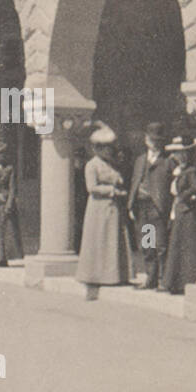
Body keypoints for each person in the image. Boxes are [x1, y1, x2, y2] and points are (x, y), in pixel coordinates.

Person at [75, 124, 131, 295]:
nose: (109, 151)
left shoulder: (111, 164)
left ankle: (113, 275)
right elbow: (91, 187)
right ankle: (96, 275)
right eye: (106, 148)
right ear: (98, 148)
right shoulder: (92, 165)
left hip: (113, 208)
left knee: (112, 239)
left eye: (110, 148)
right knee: (99, 239)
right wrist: (112, 190)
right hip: (98, 208)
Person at [126, 121, 172, 290]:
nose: (155, 143)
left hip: (157, 208)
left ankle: (163, 280)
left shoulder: (168, 161)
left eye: (158, 140)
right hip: (142, 208)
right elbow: (134, 182)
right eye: (152, 140)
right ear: (146, 140)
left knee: (160, 245)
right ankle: (150, 278)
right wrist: (131, 205)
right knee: (147, 244)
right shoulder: (140, 160)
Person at [161, 135, 196, 294]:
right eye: (176, 153)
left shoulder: (190, 171)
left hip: (186, 213)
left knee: (184, 247)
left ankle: (181, 281)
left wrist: (182, 195)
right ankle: (170, 281)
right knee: (168, 246)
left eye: (180, 152)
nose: (177, 156)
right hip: (175, 211)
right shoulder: (179, 170)